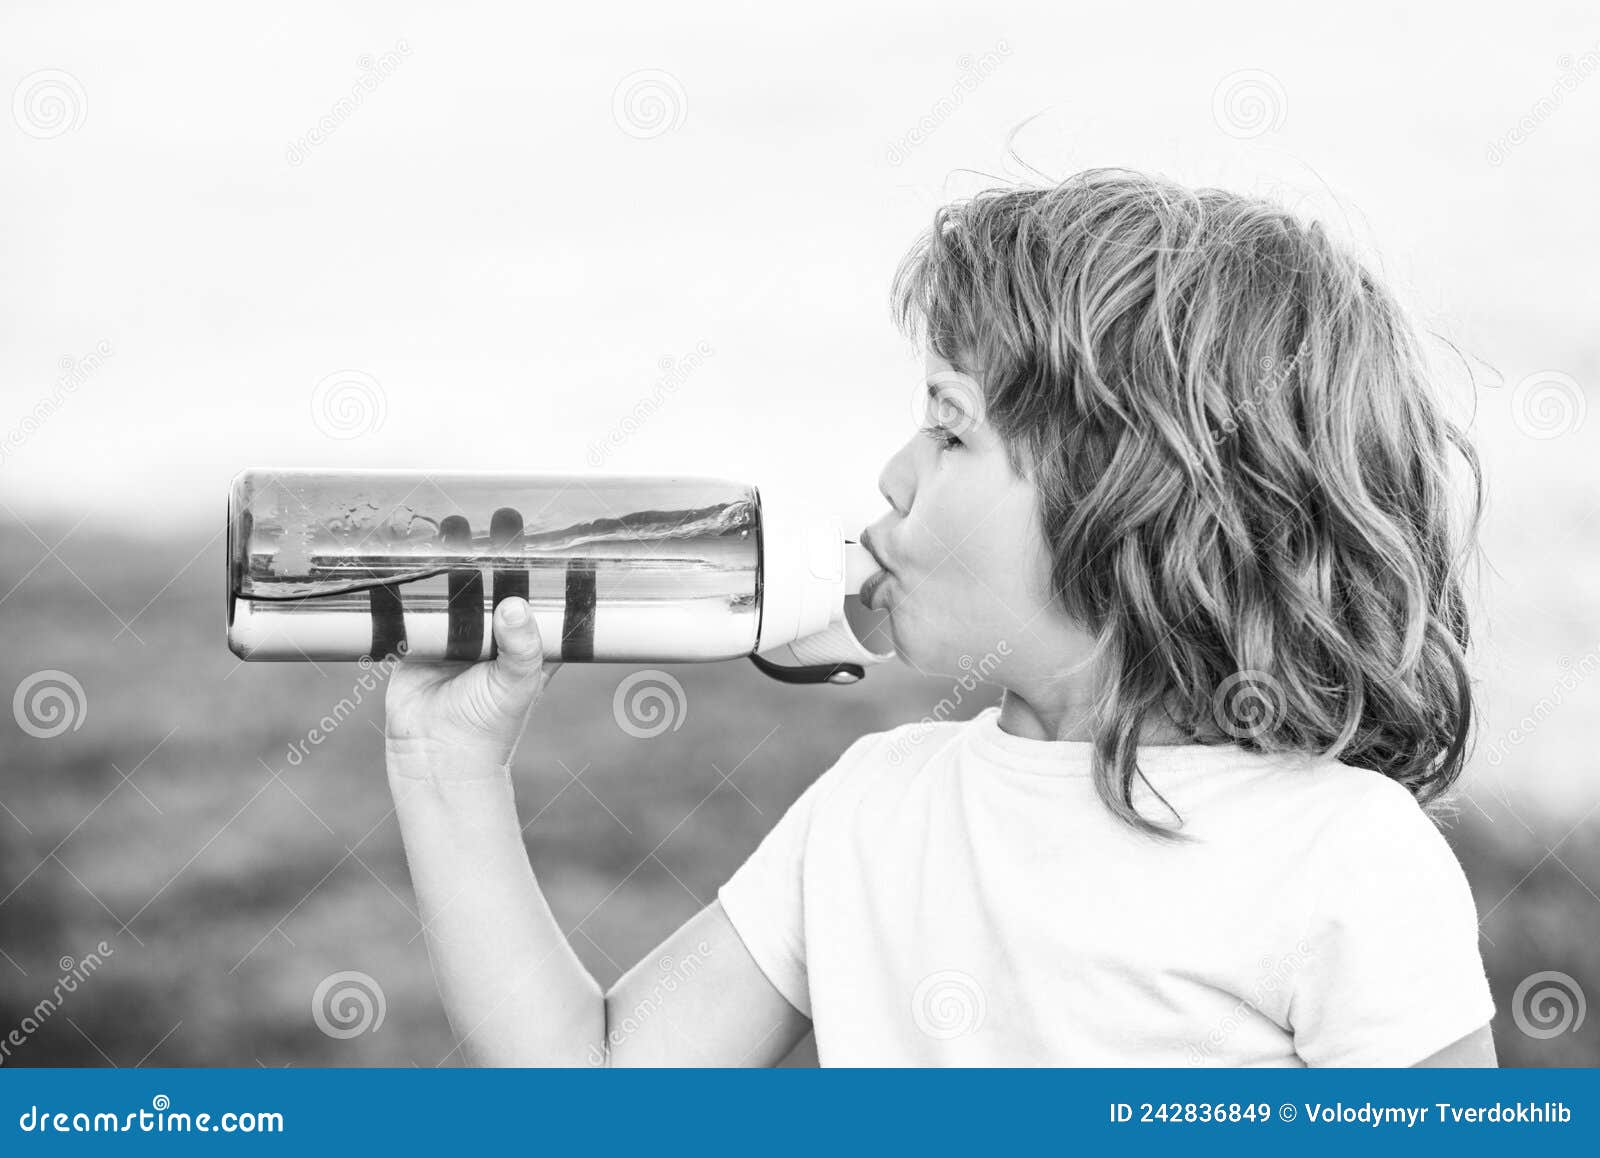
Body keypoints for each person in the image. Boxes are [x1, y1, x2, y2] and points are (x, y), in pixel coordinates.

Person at [382, 167, 1497, 1066]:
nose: (893, 473)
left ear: (1131, 507)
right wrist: (446, 766)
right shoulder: (875, 811)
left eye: (950, 431)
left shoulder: (1338, 858)